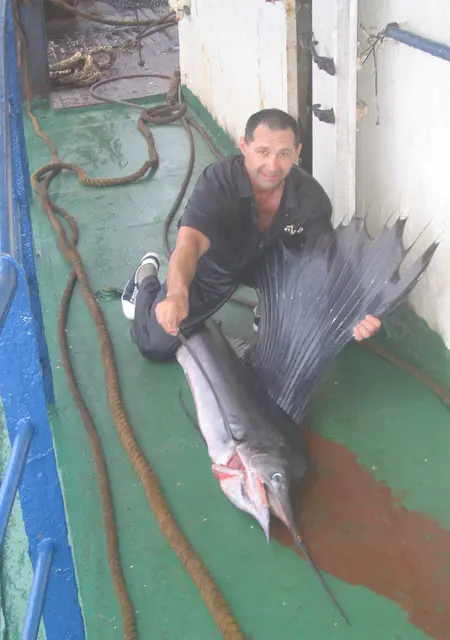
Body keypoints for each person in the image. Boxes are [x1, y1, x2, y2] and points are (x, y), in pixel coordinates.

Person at [121, 108, 381, 362]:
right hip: (217, 262)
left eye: (284, 154)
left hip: (272, 270)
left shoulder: (311, 198)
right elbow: (190, 243)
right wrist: (176, 295)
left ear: (297, 153)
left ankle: (270, 305)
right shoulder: (218, 181)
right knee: (155, 343)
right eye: (263, 152)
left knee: (319, 332)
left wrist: (351, 312)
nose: (272, 165)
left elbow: (323, 263)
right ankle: (145, 278)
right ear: (244, 147)